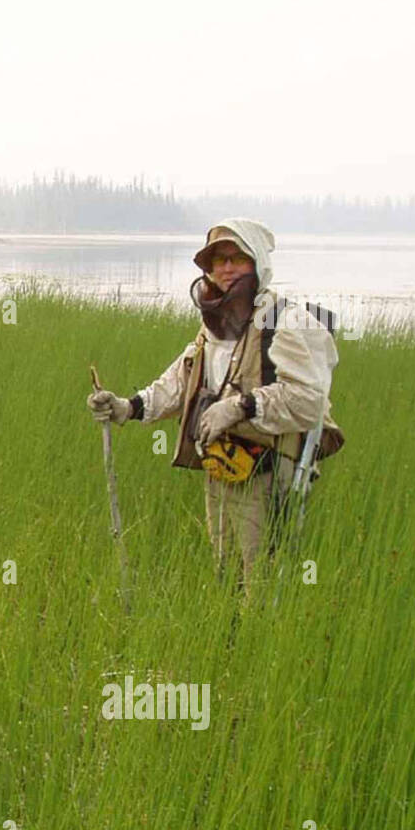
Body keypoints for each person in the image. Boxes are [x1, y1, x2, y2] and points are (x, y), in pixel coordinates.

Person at [86, 218, 344, 585]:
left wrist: (240, 406)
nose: (225, 268)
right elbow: (180, 382)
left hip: (269, 472)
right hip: (222, 466)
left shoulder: (287, 321)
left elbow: (310, 401)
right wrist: (128, 407)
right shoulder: (214, 327)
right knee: (225, 572)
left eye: (236, 258)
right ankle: (232, 636)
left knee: (264, 578)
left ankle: (263, 638)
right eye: (217, 260)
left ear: (257, 263)